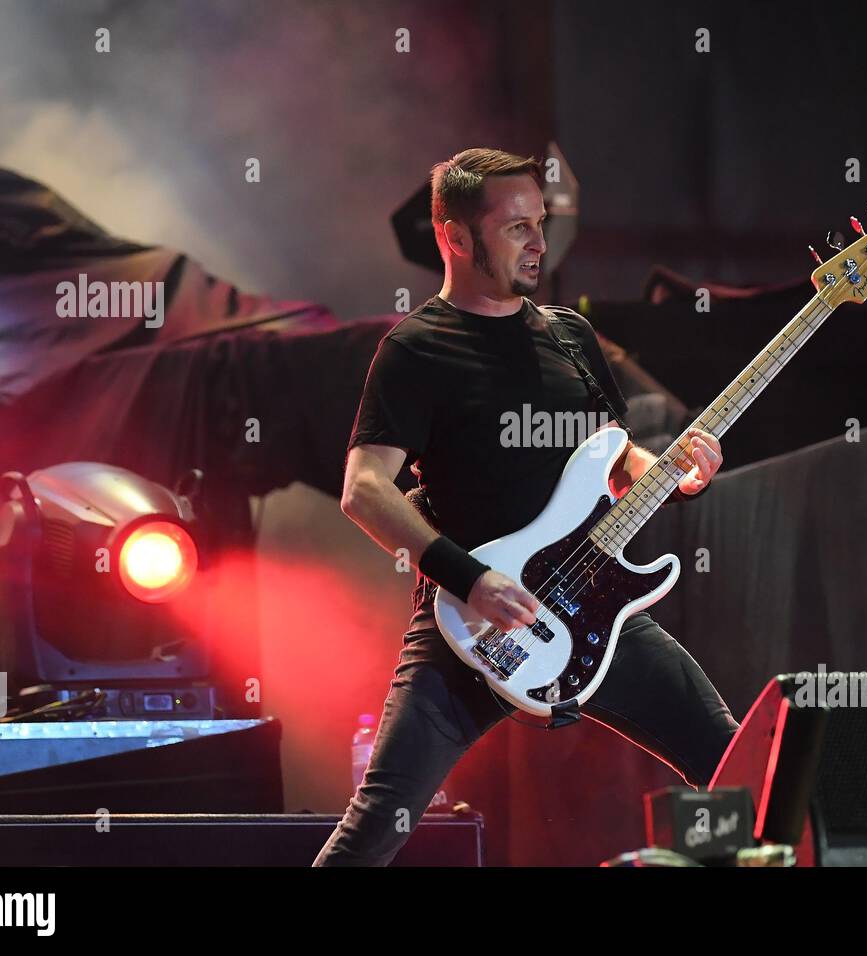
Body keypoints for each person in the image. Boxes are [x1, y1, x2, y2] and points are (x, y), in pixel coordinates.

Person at [313, 148, 739, 866]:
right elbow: (365, 489)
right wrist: (471, 579)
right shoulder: (417, 350)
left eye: (541, 223)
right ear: (455, 237)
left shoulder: (569, 336)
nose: (540, 243)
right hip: (471, 623)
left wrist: (675, 471)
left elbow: (614, 458)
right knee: (375, 827)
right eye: (517, 227)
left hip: (594, 606)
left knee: (738, 766)